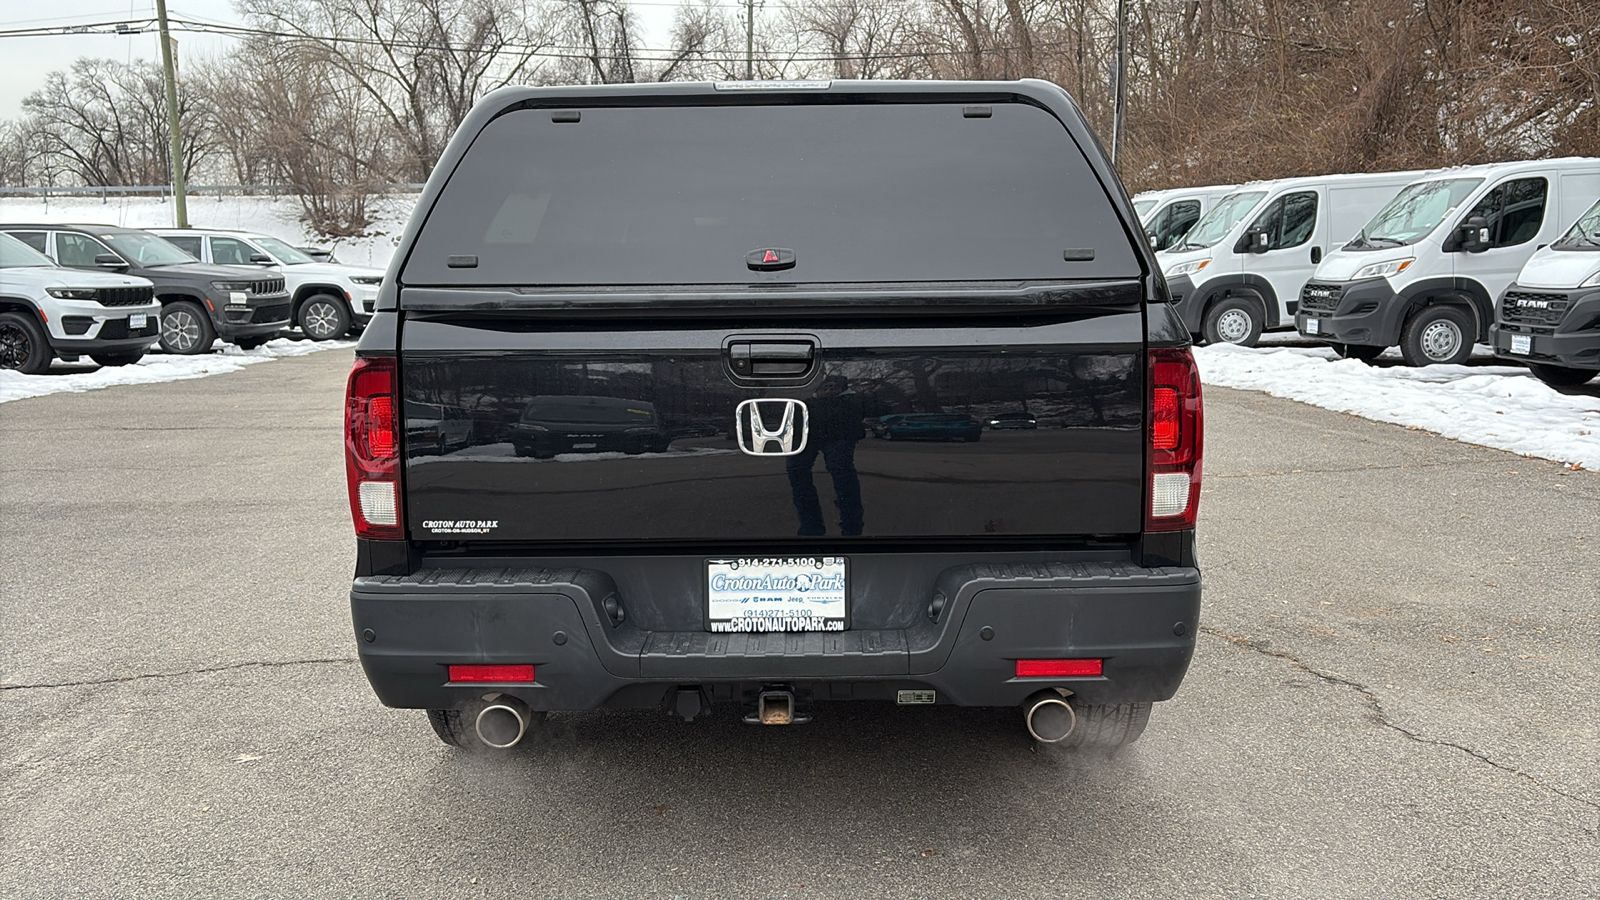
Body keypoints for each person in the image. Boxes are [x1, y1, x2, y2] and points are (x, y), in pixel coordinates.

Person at [786, 375, 881, 536]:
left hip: (839, 439)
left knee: (842, 472)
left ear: (842, 390)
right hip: (810, 438)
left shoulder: (853, 400)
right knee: (796, 470)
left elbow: (877, 409)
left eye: (834, 388)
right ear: (818, 390)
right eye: (826, 387)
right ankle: (811, 526)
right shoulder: (806, 404)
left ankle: (851, 526)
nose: (830, 390)